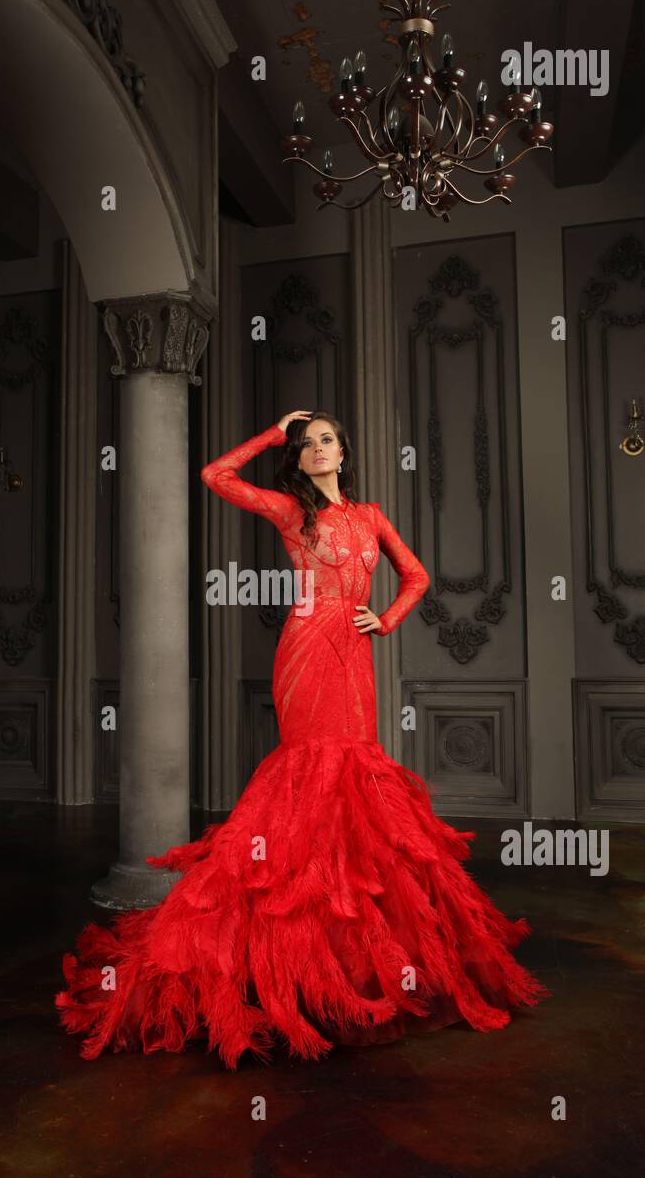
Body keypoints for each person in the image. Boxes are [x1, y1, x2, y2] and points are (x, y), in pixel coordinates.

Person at [56, 411, 549, 1069]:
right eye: (306, 443)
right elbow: (215, 476)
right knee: (309, 777)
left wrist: (388, 619)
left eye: (325, 440)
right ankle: (292, 954)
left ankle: (355, 952)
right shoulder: (292, 512)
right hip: (305, 653)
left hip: (355, 653)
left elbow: (418, 578)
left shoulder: (371, 516)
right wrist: (270, 433)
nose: (315, 449)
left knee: (358, 783)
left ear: (343, 451)